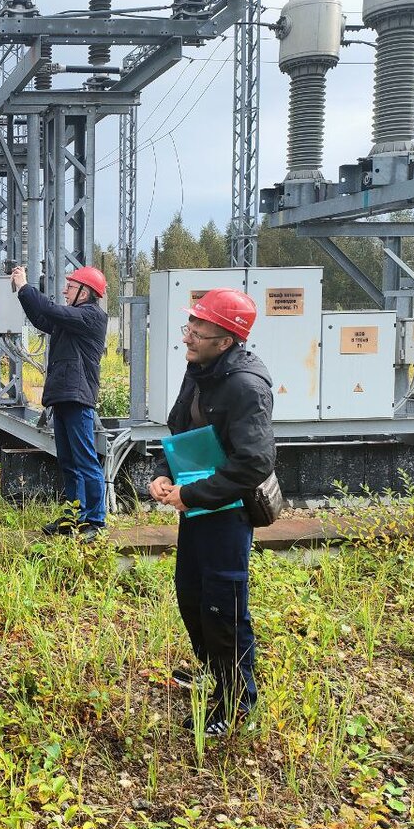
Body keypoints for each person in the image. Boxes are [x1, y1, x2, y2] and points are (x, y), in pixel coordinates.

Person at [148, 288, 274, 735]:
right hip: (197, 507)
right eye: (190, 325)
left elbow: (255, 462)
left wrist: (194, 495)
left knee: (225, 607)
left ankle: (238, 702)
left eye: (199, 329)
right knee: (192, 596)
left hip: (227, 514)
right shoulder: (199, 369)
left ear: (226, 341)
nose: (189, 335)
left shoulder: (245, 387)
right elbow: (180, 429)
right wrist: (166, 472)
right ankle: (213, 672)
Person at [11, 264, 109, 539]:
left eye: (70, 286)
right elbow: (42, 319)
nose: (65, 290)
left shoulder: (91, 316)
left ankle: (96, 521)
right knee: (68, 460)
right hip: (65, 396)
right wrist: (23, 295)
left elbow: (52, 310)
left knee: (85, 459)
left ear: (85, 292)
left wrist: (25, 286)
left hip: (77, 397)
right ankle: (74, 517)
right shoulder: (73, 319)